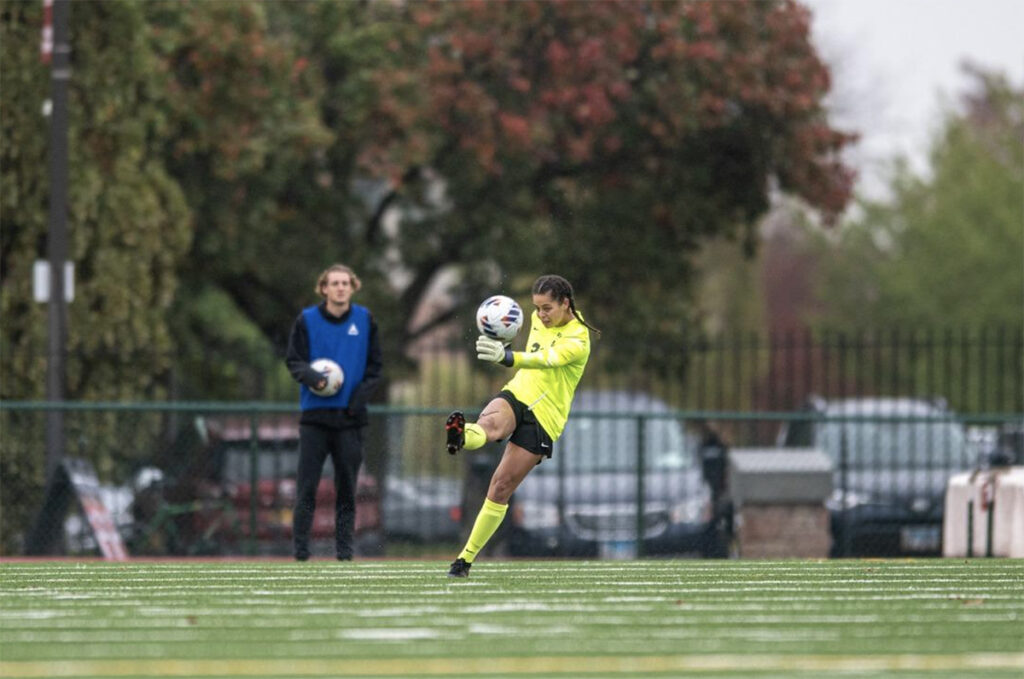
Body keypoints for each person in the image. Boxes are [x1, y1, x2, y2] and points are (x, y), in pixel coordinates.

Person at [444, 274, 599, 577]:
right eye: (537, 308)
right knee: (490, 427)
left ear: (565, 303)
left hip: (544, 418)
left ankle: (464, 560)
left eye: (547, 308)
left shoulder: (579, 340)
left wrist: (507, 357)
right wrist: (500, 335)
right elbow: (524, 340)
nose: (540, 315)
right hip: (519, 392)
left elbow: (547, 359)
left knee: (500, 487)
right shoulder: (535, 317)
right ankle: (461, 435)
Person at [285, 264, 382, 561]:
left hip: (350, 420)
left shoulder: (365, 320)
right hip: (315, 418)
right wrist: (314, 378)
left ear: (352, 287)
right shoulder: (307, 320)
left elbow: (375, 369)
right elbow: (294, 361)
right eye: (334, 283)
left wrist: (357, 399)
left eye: (345, 283)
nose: (340, 288)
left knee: (346, 489)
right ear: (323, 288)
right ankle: (301, 552)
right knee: (307, 488)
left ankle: (344, 552)